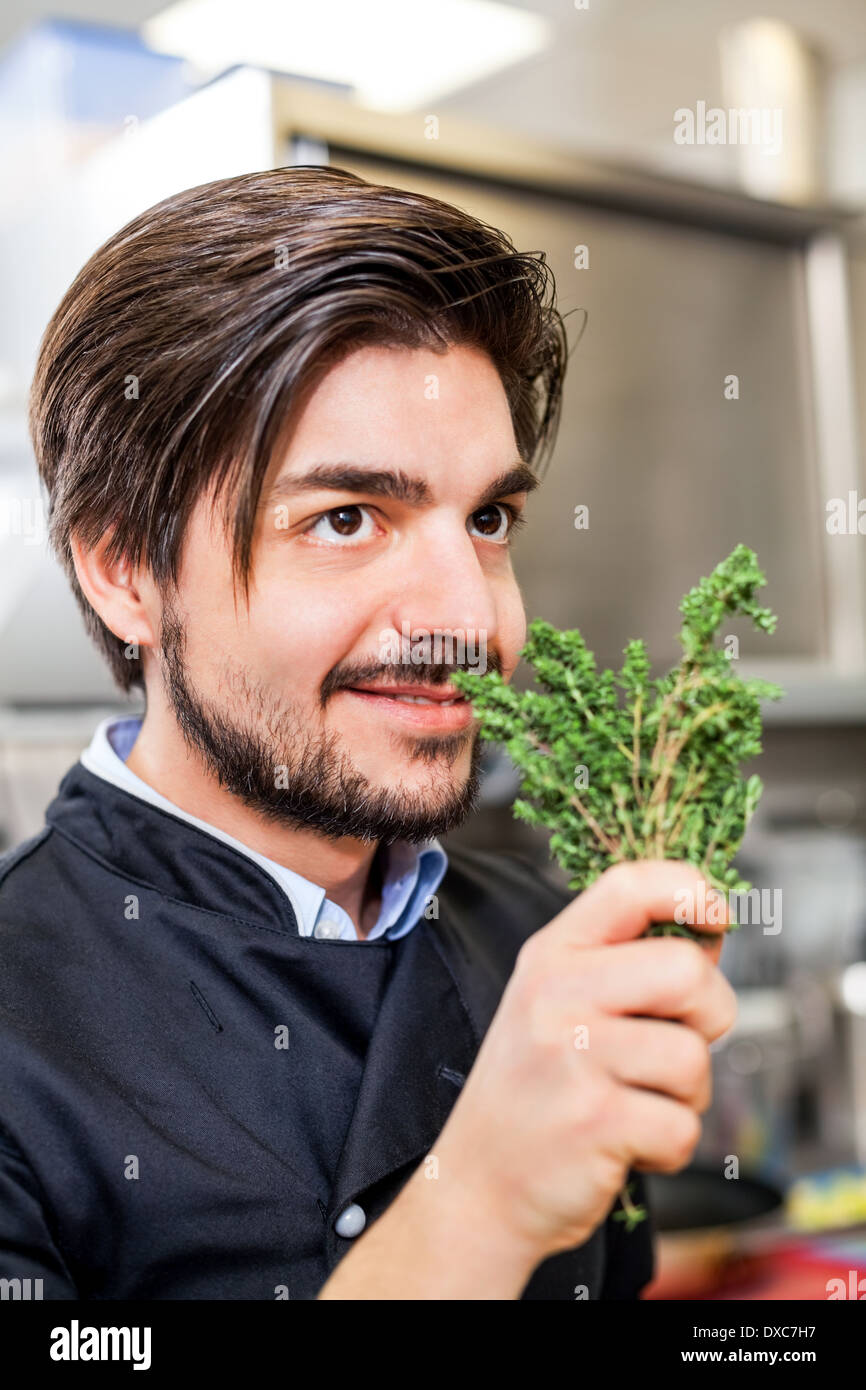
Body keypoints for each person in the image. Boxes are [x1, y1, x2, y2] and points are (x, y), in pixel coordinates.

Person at [0, 166, 736, 1300]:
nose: (467, 618)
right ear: (124, 570)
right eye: (346, 518)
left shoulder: (545, 940)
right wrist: (478, 1204)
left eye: (487, 519)